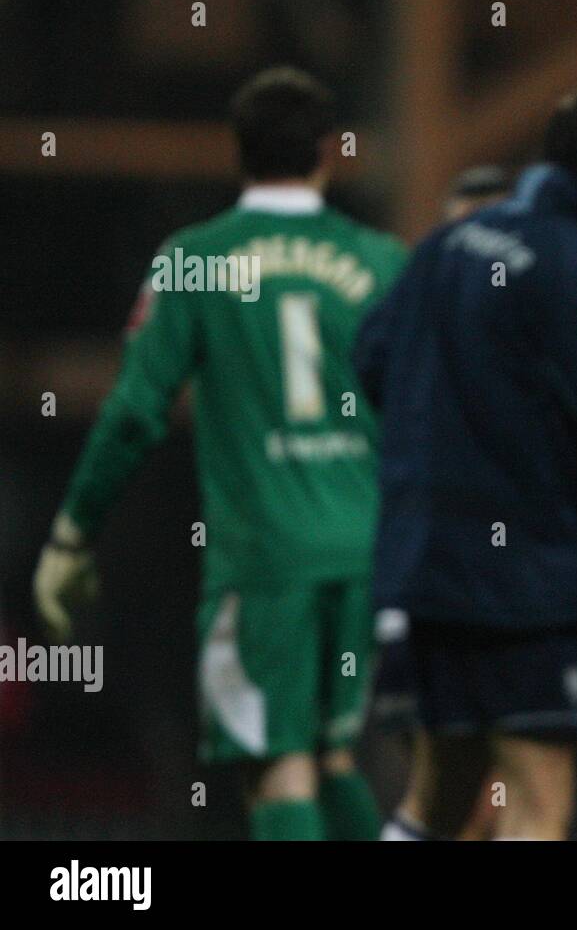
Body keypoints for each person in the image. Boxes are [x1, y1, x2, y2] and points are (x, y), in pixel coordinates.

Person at [31, 66, 408, 840]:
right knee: (335, 758)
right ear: (330, 151)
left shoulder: (194, 261)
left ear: (238, 152)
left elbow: (135, 410)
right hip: (364, 546)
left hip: (265, 554)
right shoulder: (381, 261)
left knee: (278, 766)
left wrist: (74, 530)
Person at [354, 80, 577, 840]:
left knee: (442, 791)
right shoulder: (575, 264)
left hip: (427, 567)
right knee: (538, 795)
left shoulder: (447, 243)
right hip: (525, 579)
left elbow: (373, 355)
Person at [371, 166, 513, 842]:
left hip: (410, 586)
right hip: (477, 591)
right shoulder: (525, 319)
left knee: (443, 790)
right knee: (491, 789)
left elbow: (365, 364)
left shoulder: (409, 306)